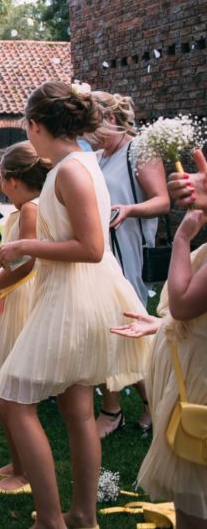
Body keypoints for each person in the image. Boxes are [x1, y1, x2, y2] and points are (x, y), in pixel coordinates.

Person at [0, 81, 150, 529]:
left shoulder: (71, 170)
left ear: (36, 126)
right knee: (76, 408)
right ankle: (81, 515)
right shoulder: (79, 163)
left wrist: (28, 244)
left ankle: (50, 520)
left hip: (74, 299)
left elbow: (92, 247)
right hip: (74, 293)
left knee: (15, 400)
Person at [111, 206, 207, 529]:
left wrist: (182, 238)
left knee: (195, 487)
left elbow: (181, 304)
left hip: (200, 385)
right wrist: (159, 323)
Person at [87, 90, 170, 438]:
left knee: (121, 325)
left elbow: (163, 201)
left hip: (130, 249)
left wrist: (130, 209)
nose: (88, 131)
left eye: (92, 122)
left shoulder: (138, 150)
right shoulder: (98, 155)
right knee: (113, 325)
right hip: (102, 251)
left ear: (109, 119)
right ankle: (154, 401)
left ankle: (113, 410)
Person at [0, 142, 47, 496]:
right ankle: (16, 462)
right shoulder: (23, 209)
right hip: (10, 297)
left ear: (12, 179)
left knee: (6, 388)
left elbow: (27, 263)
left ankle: (25, 472)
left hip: (21, 301)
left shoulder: (31, 209)